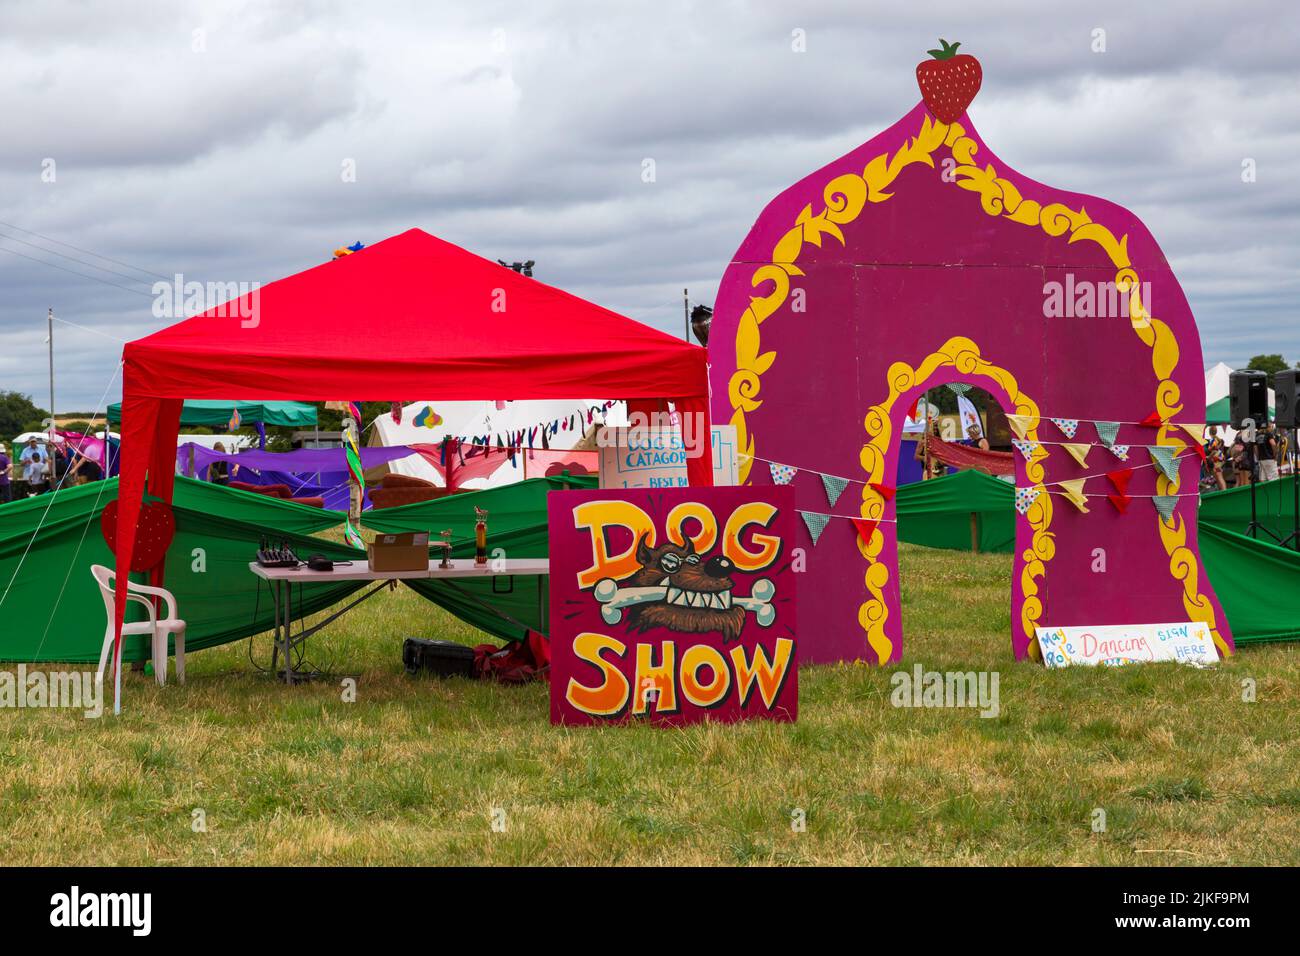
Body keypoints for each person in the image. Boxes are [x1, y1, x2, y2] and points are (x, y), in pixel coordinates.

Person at [1204, 425, 1227, 491]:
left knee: (1219, 476)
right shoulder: (1217, 439)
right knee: (1218, 475)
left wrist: (1208, 457)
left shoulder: (1213, 439)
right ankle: (1222, 490)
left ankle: (1224, 490)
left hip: (1217, 459)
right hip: (1219, 458)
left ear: (1209, 432)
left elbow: (1214, 451)